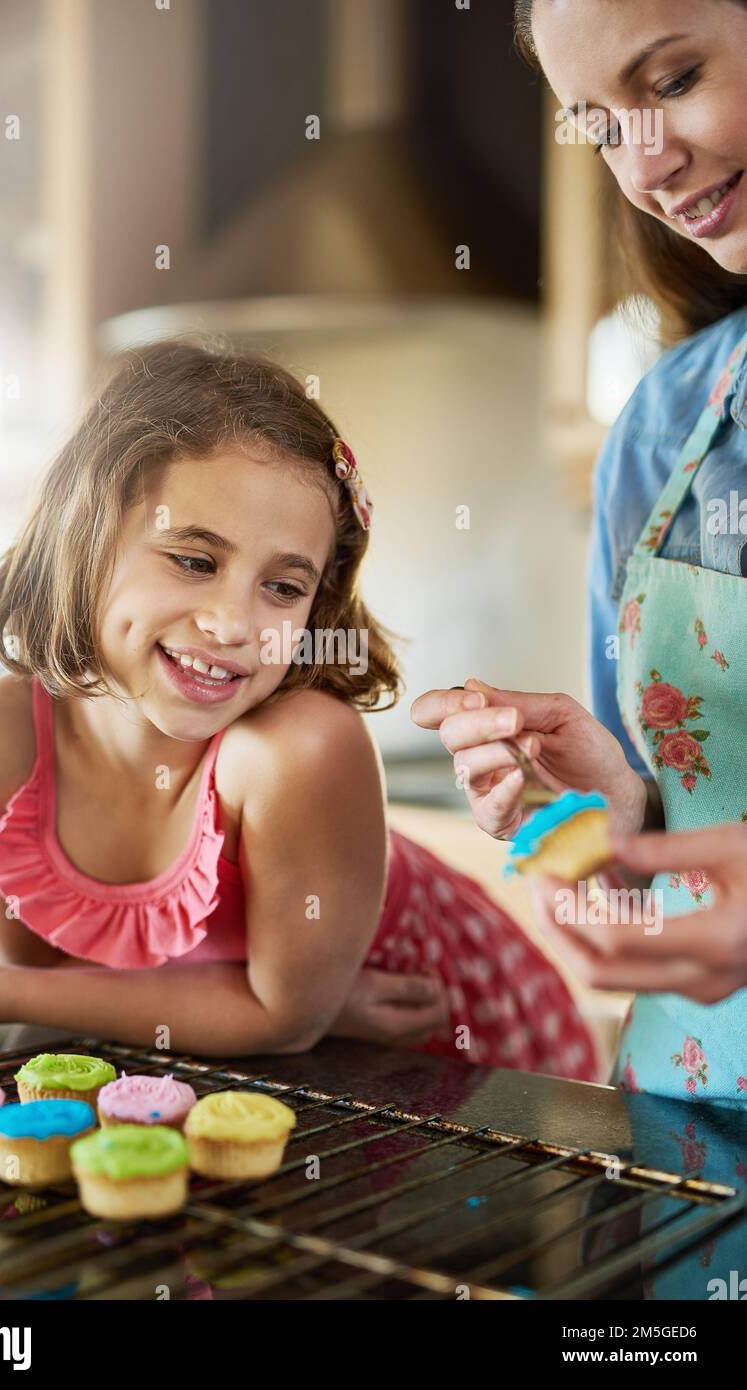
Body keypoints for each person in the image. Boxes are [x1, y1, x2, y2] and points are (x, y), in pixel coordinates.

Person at [0, 339, 596, 1084]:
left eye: (283, 588)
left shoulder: (299, 750)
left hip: (442, 1070)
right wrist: (263, 1008)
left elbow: (280, 1018)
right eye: (193, 561)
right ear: (82, 538)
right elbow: (60, 984)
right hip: (228, 1066)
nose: (232, 623)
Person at [414, 0, 747, 1103]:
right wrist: (619, 806)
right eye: (600, 126)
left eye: (672, 79)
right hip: (695, 1115)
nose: (646, 163)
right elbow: (678, 819)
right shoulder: (663, 427)